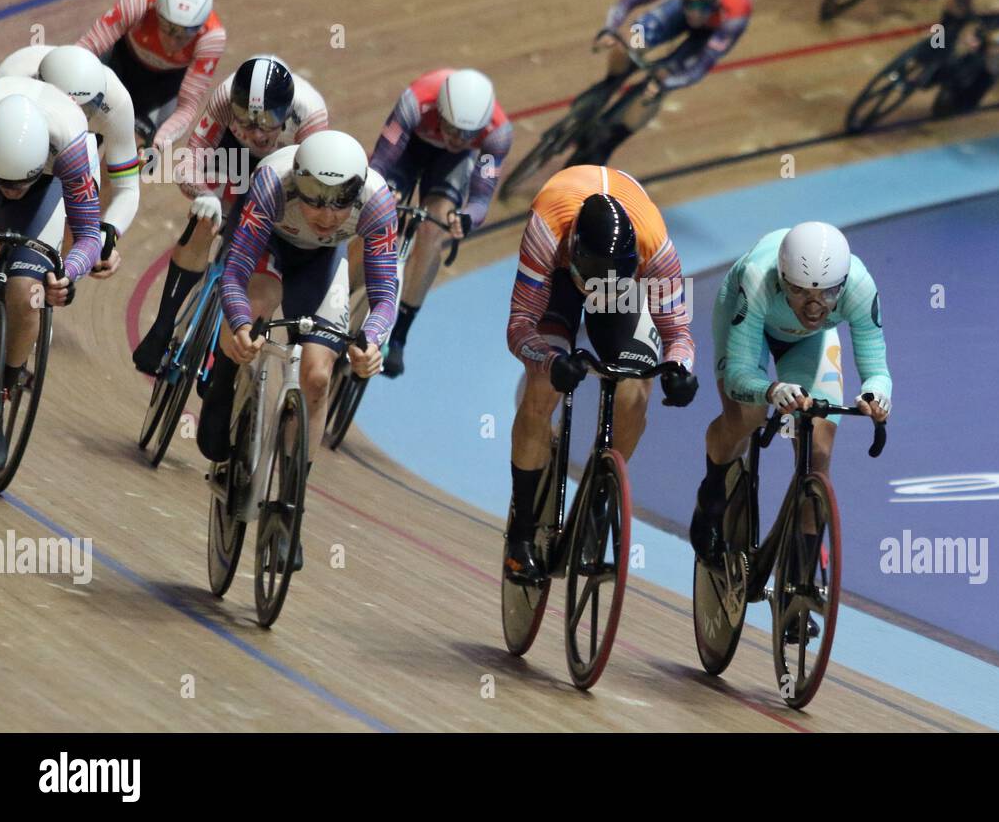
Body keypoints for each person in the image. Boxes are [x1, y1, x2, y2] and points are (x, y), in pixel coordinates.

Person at [692, 223, 891, 635]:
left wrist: (875, 396)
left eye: (826, 295)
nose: (815, 307)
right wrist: (771, 389)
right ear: (783, 280)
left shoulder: (859, 286)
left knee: (817, 455)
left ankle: (797, 589)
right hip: (749, 325)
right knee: (746, 418)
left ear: (842, 284)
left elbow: (878, 372)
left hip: (806, 345)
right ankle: (711, 495)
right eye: (801, 292)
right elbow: (740, 376)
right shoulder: (757, 279)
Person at [503, 165, 698, 582]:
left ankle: (598, 500)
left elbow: (679, 333)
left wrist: (681, 370)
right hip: (560, 281)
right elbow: (519, 326)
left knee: (636, 387)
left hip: (618, 293)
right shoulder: (546, 230)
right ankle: (520, 536)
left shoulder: (655, 246)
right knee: (541, 388)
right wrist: (551, 361)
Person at [195, 131, 397, 527]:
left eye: (340, 204)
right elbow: (234, 274)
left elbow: (384, 293)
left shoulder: (377, 203)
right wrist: (238, 325)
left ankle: (290, 502)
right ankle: (224, 376)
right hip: (269, 247)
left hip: (321, 263)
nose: (326, 216)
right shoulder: (272, 183)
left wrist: (372, 341)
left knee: (318, 377)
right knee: (254, 307)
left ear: (356, 194)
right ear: (297, 184)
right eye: (314, 199)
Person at [132, 54, 327, 374]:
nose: (257, 132)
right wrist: (204, 196)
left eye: (268, 120)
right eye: (246, 120)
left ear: (288, 111)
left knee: (265, 261)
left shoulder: (311, 118)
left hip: (283, 175)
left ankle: (227, 367)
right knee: (203, 223)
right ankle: (162, 327)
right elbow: (189, 163)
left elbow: (309, 191)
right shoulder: (224, 97)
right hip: (231, 158)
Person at [368, 67, 511, 378]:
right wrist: (382, 190)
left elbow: (480, 200)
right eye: (452, 128)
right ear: (440, 111)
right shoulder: (415, 100)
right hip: (409, 150)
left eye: (468, 134)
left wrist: (465, 219)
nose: (458, 139)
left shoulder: (498, 133)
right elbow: (380, 161)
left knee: (434, 229)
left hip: (451, 166)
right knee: (377, 209)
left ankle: (400, 335)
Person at [0, 83, 103, 430]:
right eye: (5, 183)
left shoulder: (71, 150)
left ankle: (0, 393)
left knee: (27, 291)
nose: (12, 192)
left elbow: (87, 236)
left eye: (18, 184)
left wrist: (66, 276)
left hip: (49, 186)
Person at [570, 0, 752, 166]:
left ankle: (609, 143)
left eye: (701, 6)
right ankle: (607, 84)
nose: (694, 12)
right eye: (690, 4)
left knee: (658, 83)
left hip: (710, 33)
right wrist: (610, 29)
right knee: (631, 41)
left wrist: (666, 83)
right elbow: (627, 2)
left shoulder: (736, 12)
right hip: (676, 13)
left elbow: (700, 68)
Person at [0, 45, 141, 278]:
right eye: (62, 105)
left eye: (84, 109)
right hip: (23, 141)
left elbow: (127, 188)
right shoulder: (12, 79)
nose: (72, 115)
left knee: (77, 234)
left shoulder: (116, 103)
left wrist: (107, 234)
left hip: (78, 151)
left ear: (99, 99)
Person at [76, 0, 225, 157]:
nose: (173, 41)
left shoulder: (211, 37)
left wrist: (158, 144)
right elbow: (87, 47)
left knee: (130, 158)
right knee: (81, 129)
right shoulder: (139, 1)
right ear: (157, 10)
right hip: (119, 66)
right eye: (167, 27)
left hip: (162, 89)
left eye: (185, 33)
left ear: (201, 26)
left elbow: (187, 106)